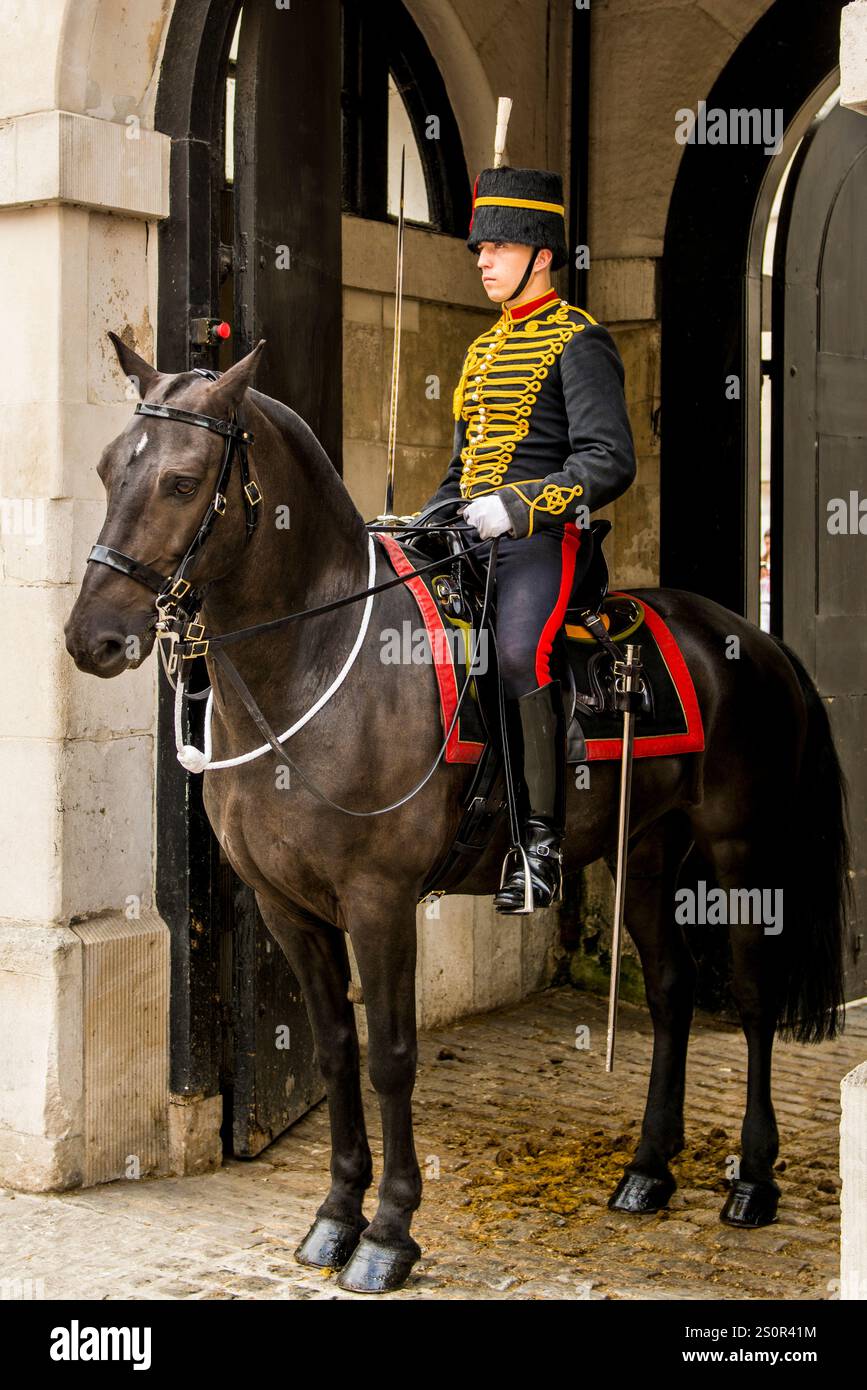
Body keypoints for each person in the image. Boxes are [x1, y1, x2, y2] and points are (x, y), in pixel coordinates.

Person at [417, 164, 637, 913]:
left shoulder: (579, 339)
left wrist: (520, 505)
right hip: (470, 542)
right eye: (479, 247)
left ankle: (537, 845)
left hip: (543, 545)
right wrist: (420, 523)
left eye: (498, 247)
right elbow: (462, 468)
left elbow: (608, 459)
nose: (481, 259)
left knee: (514, 654)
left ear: (541, 256)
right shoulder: (481, 352)